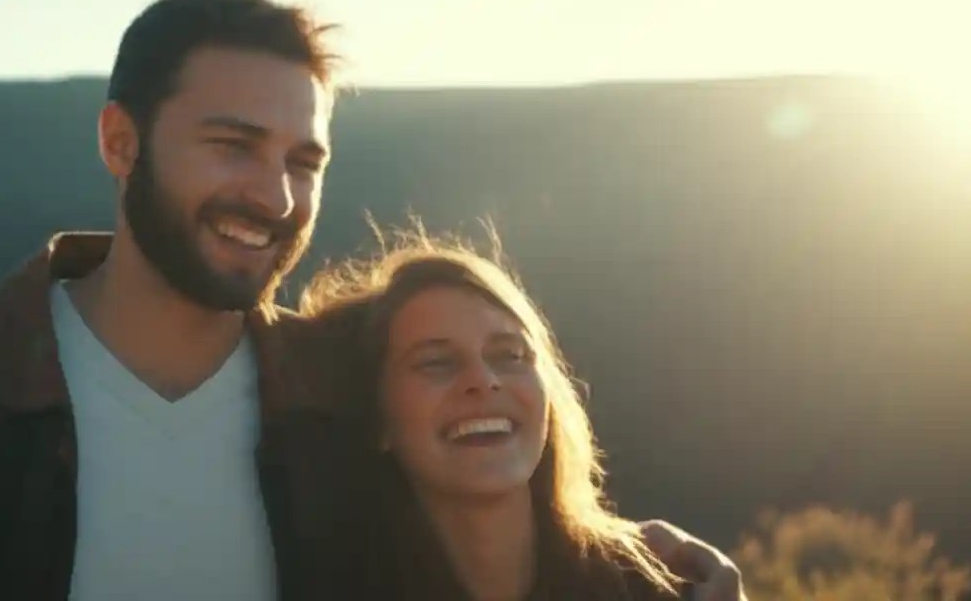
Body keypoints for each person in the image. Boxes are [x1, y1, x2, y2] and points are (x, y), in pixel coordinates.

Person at [0, 0, 743, 600]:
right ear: (119, 141)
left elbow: (494, 511)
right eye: (232, 145)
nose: (272, 196)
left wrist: (650, 574)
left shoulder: (336, 396)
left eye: (302, 159)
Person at [281, 228, 743, 600]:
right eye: (436, 362)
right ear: (378, 420)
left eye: (510, 355)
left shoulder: (658, 585)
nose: (483, 380)